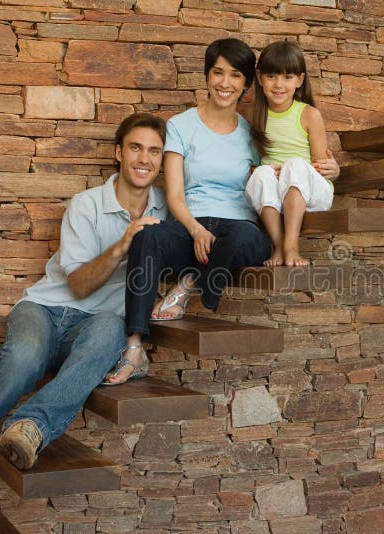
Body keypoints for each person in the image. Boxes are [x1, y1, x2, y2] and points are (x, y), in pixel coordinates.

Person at [0, 113, 168, 508]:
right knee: (23, 357)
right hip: (45, 309)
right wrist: (124, 244)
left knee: (111, 328)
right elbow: (78, 285)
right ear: (118, 153)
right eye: (136, 147)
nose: (145, 158)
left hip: (96, 325)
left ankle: (30, 426)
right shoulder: (86, 205)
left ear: (163, 160)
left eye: (154, 150)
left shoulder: (168, 211)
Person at [102, 38, 271, 386]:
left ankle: (191, 281)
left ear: (246, 84)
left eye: (235, 75)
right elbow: (176, 196)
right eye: (218, 73)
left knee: (246, 235)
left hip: (238, 230)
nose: (225, 83)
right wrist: (195, 230)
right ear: (207, 76)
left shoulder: (251, 133)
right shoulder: (180, 126)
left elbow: (273, 179)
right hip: (191, 225)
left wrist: (325, 170)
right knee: (147, 233)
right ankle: (133, 348)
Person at [246, 40, 340, 267]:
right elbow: (249, 163)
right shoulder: (252, 114)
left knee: (295, 165)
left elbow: (320, 166)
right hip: (275, 194)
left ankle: (291, 245)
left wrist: (333, 170)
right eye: (271, 76)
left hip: (312, 193)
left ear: (299, 80)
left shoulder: (309, 114)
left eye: (287, 77)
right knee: (260, 174)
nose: (279, 84)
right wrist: (264, 169)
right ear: (259, 78)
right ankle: (278, 246)